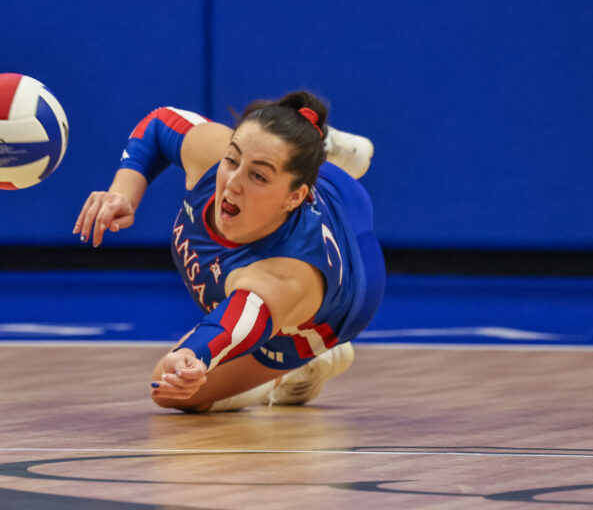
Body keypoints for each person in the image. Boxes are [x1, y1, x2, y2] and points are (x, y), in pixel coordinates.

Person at [74, 92, 384, 412]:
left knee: (170, 388)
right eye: (232, 160)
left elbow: (229, 327)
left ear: (295, 197)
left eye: (257, 176)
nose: (233, 182)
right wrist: (122, 194)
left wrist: (193, 357)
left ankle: (303, 369)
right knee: (274, 150)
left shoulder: (279, 277)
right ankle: (318, 147)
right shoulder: (214, 158)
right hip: (305, 186)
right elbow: (158, 122)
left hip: (348, 285)